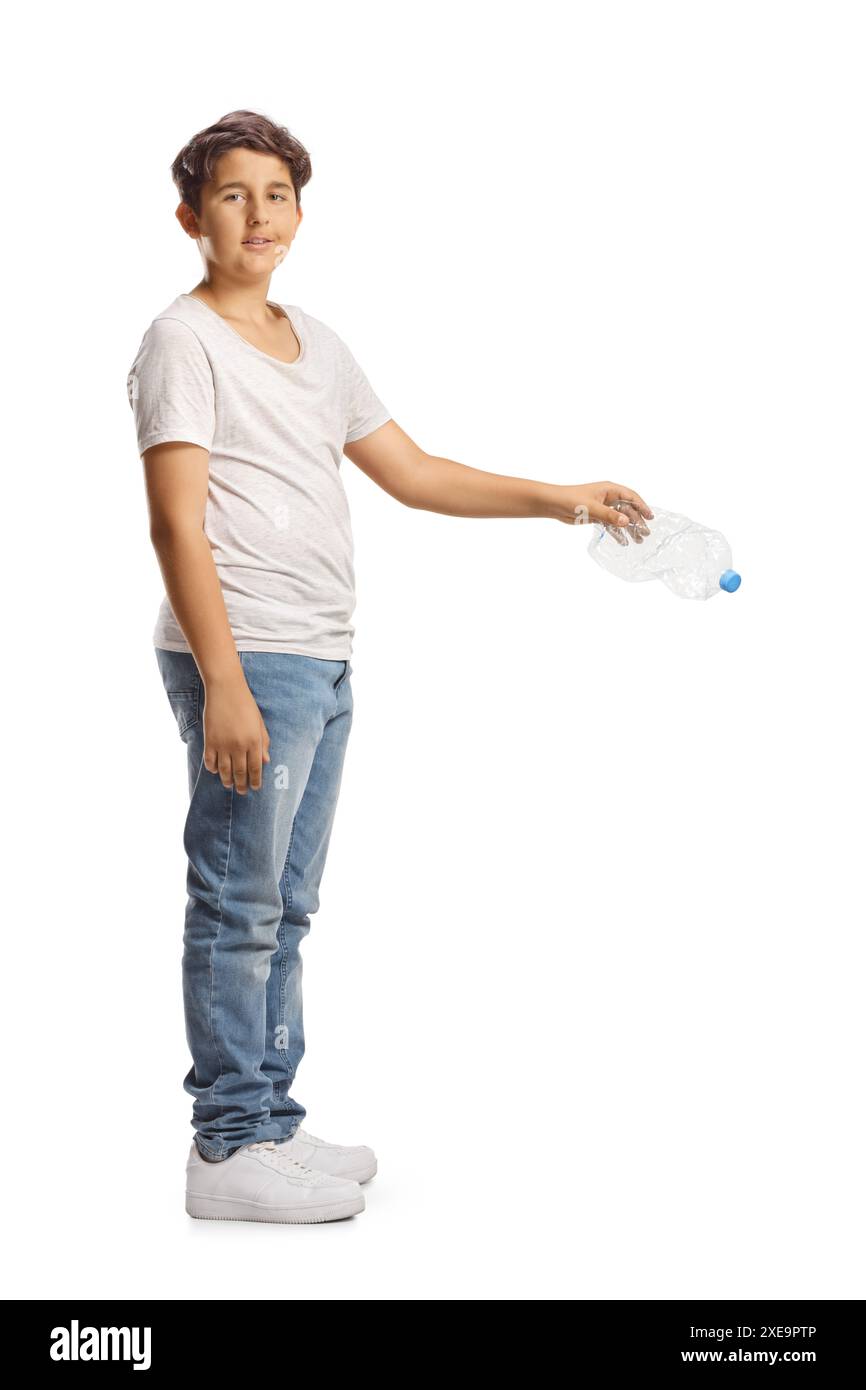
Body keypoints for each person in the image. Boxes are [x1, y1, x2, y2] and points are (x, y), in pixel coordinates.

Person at [126, 108, 653, 1226]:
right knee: (238, 905)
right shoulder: (183, 339)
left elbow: (409, 472)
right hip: (248, 655)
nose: (257, 214)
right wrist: (221, 678)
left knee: (287, 904)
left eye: (276, 194)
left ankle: (268, 1120)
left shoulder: (314, 341)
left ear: (300, 214)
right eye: (232, 195)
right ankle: (224, 1148)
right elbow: (175, 525)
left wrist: (562, 497)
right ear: (190, 217)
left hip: (317, 652)